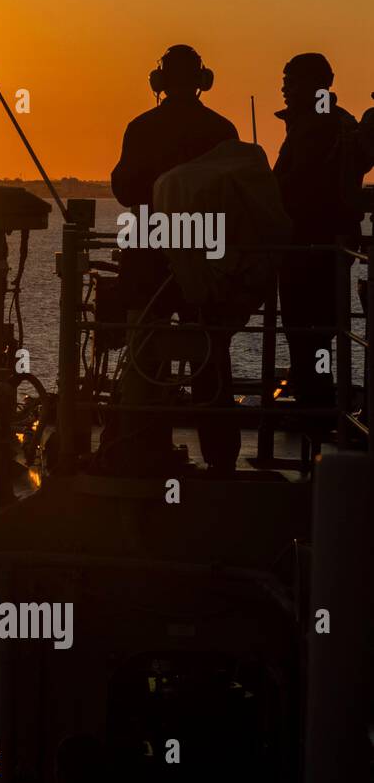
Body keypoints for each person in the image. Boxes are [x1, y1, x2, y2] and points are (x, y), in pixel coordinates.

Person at [102, 44, 240, 475]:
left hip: (149, 257)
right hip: (203, 256)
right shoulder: (222, 130)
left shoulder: (141, 128)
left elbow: (125, 189)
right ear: (203, 81)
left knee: (146, 358)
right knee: (211, 358)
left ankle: (145, 449)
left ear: (158, 81)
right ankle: (220, 459)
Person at [273, 53, 374, 416]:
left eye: (292, 80)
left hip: (307, 245)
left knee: (305, 330)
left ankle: (313, 401)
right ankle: (316, 393)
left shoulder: (316, 128)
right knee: (321, 331)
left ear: (317, 83)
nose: (285, 87)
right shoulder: (340, 123)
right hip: (332, 244)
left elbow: (294, 186)